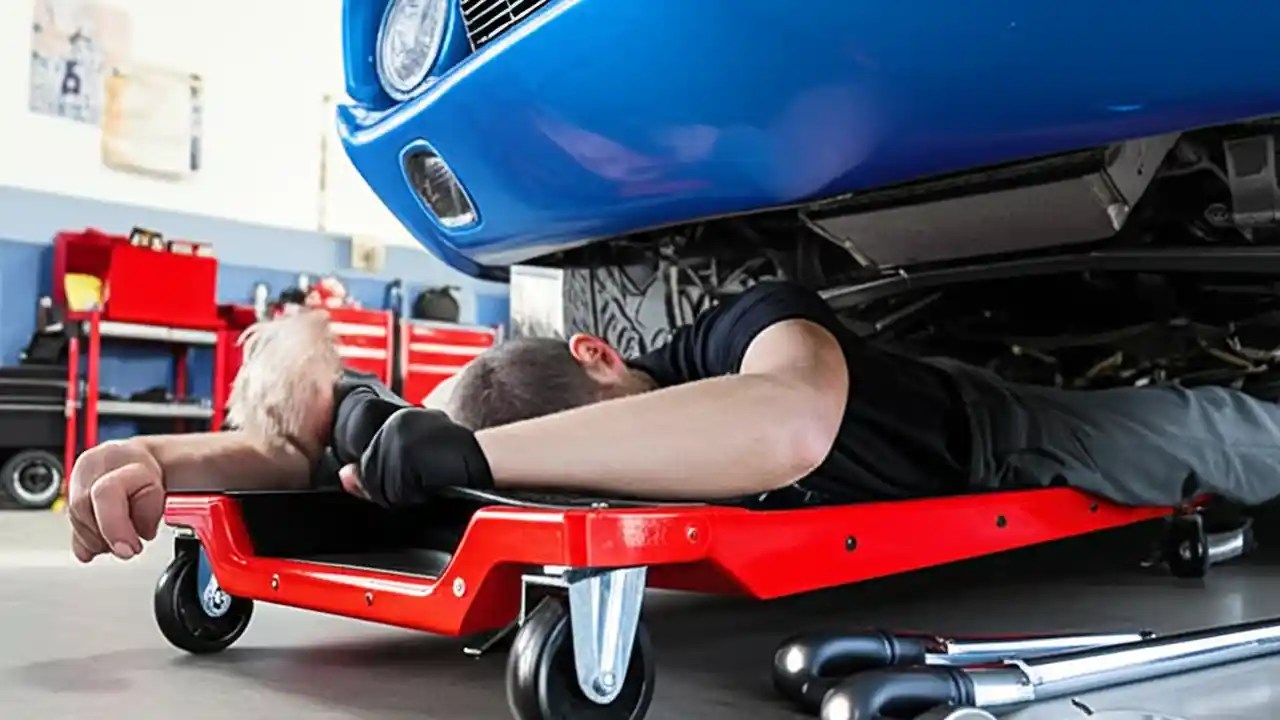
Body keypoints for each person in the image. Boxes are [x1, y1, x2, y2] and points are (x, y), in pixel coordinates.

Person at [66, 281, 1280, 563]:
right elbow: (301, 433)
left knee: (1228, 441)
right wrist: (146, 456)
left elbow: (788, 423)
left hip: (1000, 432)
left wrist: (477, 456)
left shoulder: (738, 328)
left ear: (602, 355)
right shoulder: (534, 455)